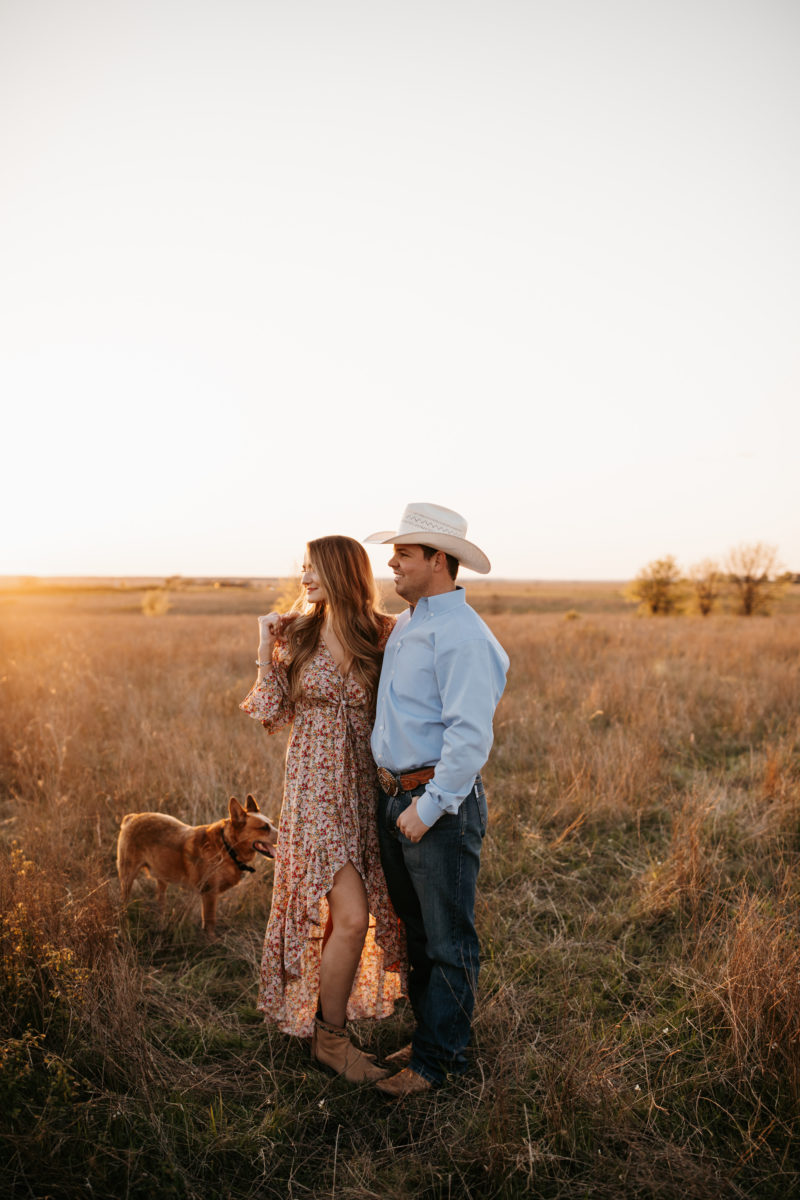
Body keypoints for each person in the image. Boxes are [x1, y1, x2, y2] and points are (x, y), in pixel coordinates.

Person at [240, 535, 405, 1083]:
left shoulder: (383, 634)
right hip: (312, 793)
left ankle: (325, 1028)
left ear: (341, 572)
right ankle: (330, 1043)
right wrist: (264, 647)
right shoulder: (296, 632)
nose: (304, 577)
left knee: (347, 916)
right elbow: (270, 712)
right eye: (303, 569)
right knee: (351, 915)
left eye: (313, 569)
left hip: (363, 792)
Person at [364, 503, 509, 1098]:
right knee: (419, 933)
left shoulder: (463, 635)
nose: (392, 563)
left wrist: (426, 811)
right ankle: (432, 1036)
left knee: (449, 940)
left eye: (403, 553)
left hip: (434, 806)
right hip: (396, 797)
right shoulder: (410, 623)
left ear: (439, 561)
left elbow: (469, 737)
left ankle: (438, 1063)